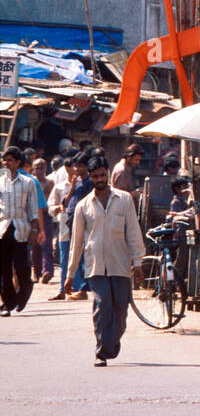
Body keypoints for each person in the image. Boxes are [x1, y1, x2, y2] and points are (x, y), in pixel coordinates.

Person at [66, 152, 145, 366]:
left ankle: (112, 341)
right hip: (95, 266)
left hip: (120, 264)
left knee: (121, 309)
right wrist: (70, 275)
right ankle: (101, 351)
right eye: (95, 177)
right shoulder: (83, 206)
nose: (99, 180)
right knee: (102, 307)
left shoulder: (125, 199)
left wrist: (138, 262)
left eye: (102, 175)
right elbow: (77, 242)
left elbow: (133, 232)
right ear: (90, 177)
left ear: (107, 175)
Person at [0, 146, 40, 316]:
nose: (6, 163)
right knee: (3, 269)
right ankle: (7, 303)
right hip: (2, 229)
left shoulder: (28, 183)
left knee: (21, 266)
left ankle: (24, 291)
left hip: (21, 230)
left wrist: (35, 229)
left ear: (17, 162)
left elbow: (33, 208)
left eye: (10, 160)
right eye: (4, 159)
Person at [64, 152, 93, 300]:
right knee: (77, 254)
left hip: (83, 222)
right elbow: (66, 203)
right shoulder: (77, 182)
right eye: (75, 166)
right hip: (71, 220)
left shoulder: (89, 183)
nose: (76, 169)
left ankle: (84, 288)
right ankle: (82, 286)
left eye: (80, 166)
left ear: (87, 167)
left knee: (83, 255)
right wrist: (72, 185)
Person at [48, 156, 76, 300]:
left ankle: (77, 289)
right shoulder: (59, 188)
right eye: (74, 166)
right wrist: (58, 208)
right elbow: (50, 207)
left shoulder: (84, 186)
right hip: (65, 229)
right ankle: (62, 289)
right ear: (67, 169)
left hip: (81, 229)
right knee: (65, 259)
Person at [28, 156, 54, 283]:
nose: (38, 170)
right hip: (33, 216)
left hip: (46, 216)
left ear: (45, 168)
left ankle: (46, 271)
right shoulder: (30, 182)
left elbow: (48, 200)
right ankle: (35, 272)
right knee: (34, 246)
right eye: (36, 168)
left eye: (41, 168)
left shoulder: (49, 183)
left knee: (46, 244)